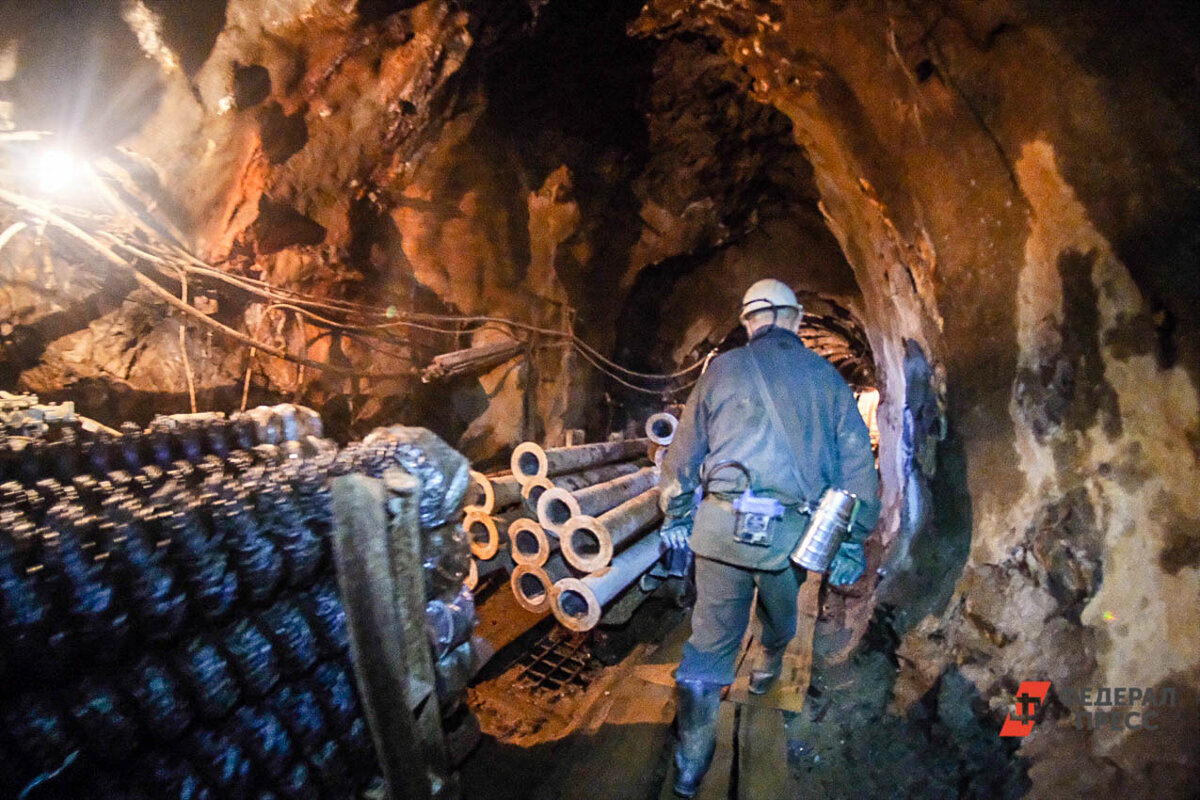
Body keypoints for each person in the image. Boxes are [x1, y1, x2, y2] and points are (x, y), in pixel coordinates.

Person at [658, 278, 880, 798]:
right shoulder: (826, 379)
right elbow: (857, 471)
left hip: (718, 532)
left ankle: (690, 769)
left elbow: (682, 457)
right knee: (780, 620)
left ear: (748, 321)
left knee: (708, 645)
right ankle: (768, 665)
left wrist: (676, 513)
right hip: (789, 537)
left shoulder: (720, 372)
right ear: (796, 319)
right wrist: (851, 542)